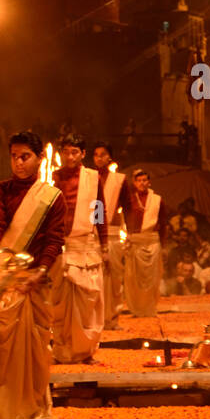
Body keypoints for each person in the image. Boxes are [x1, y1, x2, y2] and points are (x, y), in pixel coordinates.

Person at [0, 131, 65, 419]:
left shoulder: (52, 199)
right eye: (14, 156)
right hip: (2, 280)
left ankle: (30, 408)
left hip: (33, 284)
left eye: (25, 156)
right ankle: (2, 408)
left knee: (34, 353)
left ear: (39, 159)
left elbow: (54, 240)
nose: (18, 163)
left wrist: (40, 273)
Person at [50, 134, 107, 363]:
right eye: (66, 152)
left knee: (87, 303)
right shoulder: (52, 178)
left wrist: (104, 245)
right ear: (60, 153)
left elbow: (99, 212)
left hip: (85, 247)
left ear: (83, 154)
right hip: (60, 248)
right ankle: (62, 351)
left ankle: (86, 352)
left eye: (75, 152)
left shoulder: (93, 179)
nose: (70, 157)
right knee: (60, 304)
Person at [92, 142, 131, 331]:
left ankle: (112, 318)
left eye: (103, 154)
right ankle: (94, 318)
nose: (99, 158)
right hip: (91, 234)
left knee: (114, 277)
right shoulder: (88, 178)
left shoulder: (119, 180)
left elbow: (128, 207)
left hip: (114, 233)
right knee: (93, 279)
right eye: (96, 154)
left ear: (110, 157)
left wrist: (129, 232)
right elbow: (96, 209)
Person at [122, 168, 168, 316]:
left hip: (153, 242)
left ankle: (149, 309)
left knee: (152, 278)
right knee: (133, 278)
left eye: (144, 180)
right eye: (139, 180)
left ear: (149, 182)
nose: (142, 183)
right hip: (135, 242)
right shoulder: (128, 199)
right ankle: (136, 309)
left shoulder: (157, 200)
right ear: (134, 183)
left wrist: (163, 244)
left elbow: (163, 223)